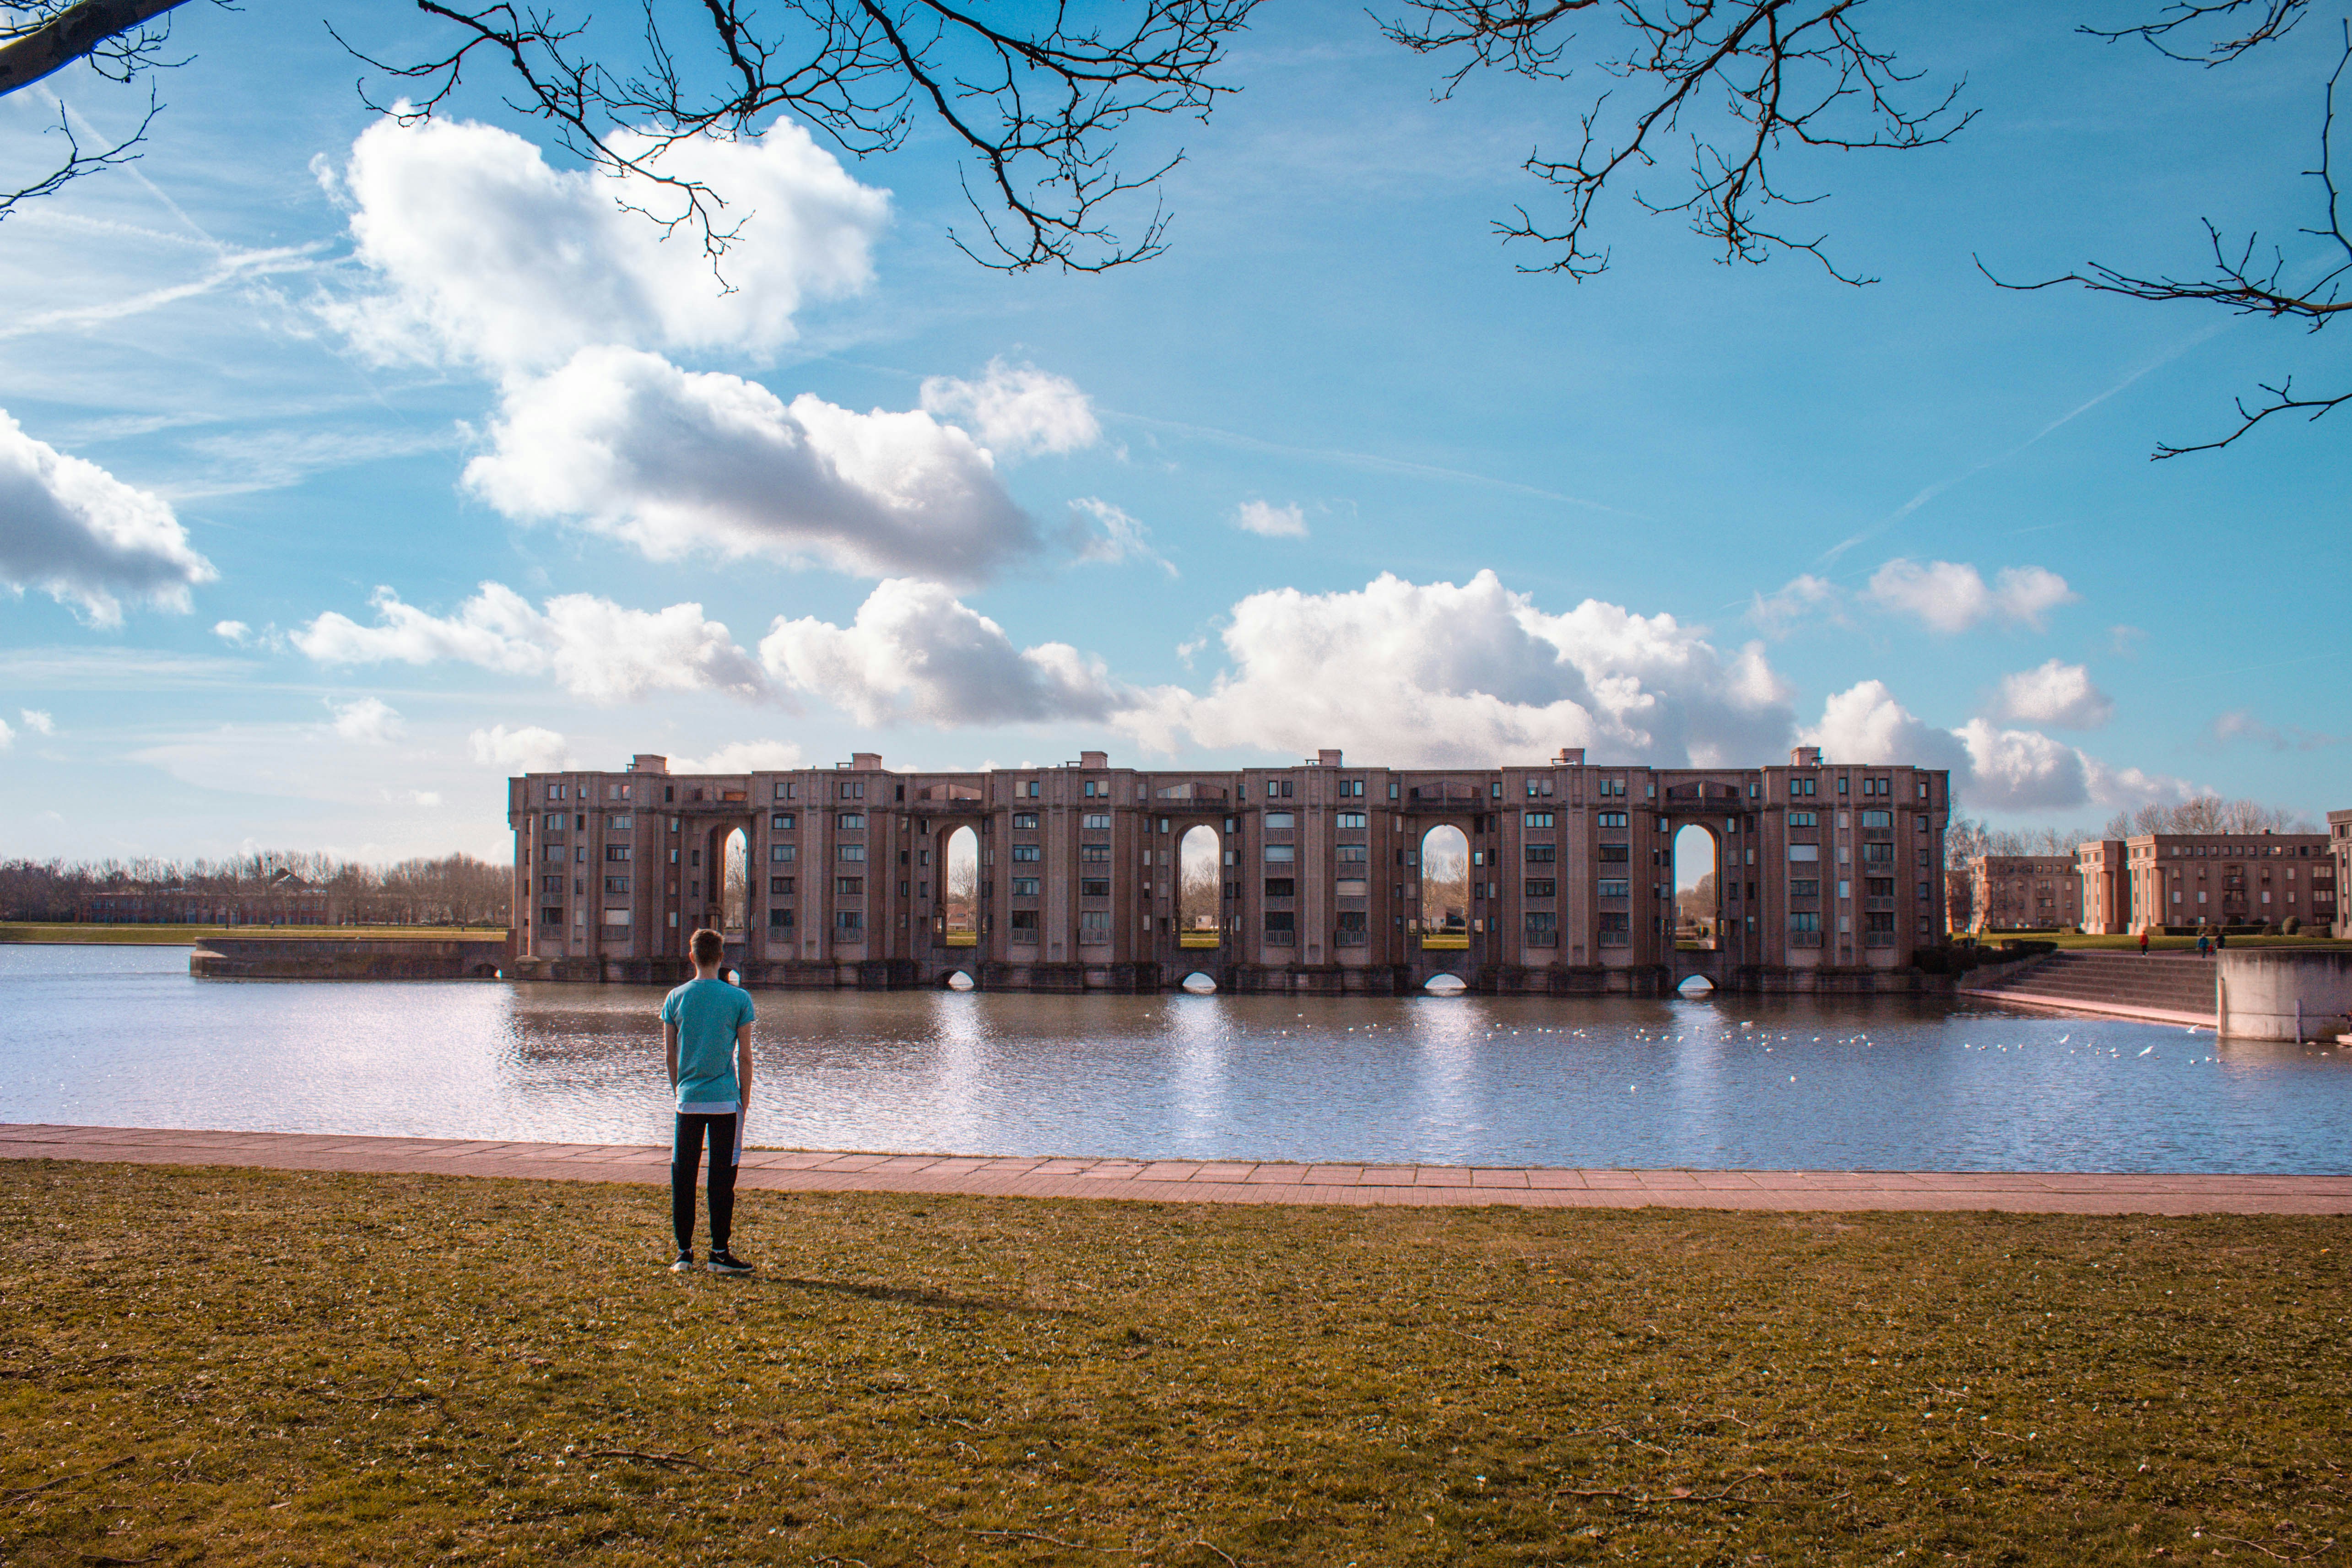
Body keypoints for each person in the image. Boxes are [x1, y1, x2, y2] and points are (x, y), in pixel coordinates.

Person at [660, 928, 757, 1275]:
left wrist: (679, 1091)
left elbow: (670, 1056)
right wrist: (744, 1100)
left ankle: (683, 1254)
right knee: (722, 1178)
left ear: (692, 957)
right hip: (724, 1101)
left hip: (688, 1100)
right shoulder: (739, 999)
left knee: (682, 1176)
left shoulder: (676, 998)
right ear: (721, 959)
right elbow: (745, 1057)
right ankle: (718, 1253)